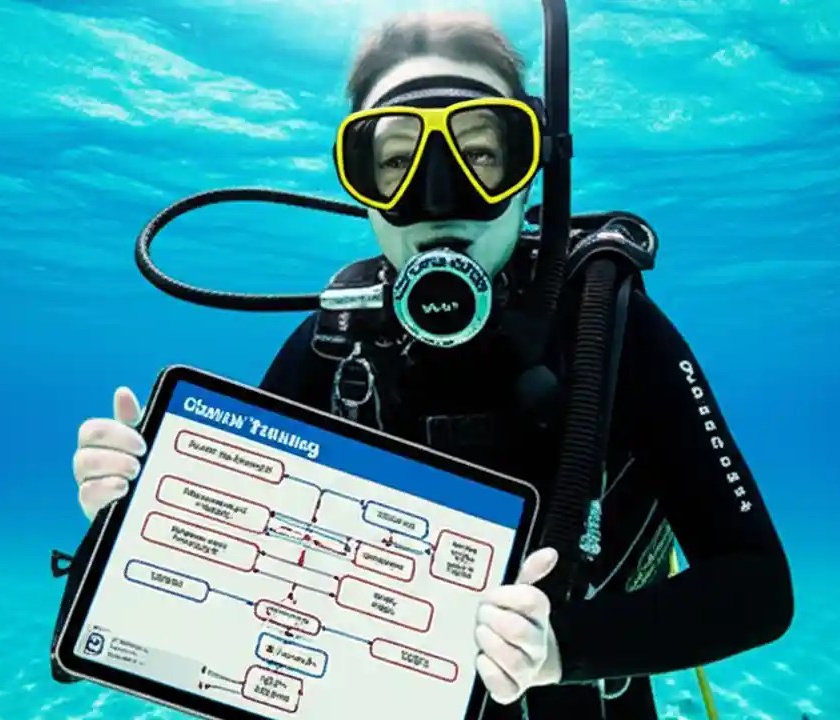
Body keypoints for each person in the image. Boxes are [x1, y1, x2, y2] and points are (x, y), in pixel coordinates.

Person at [69, 11, 793, 720]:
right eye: (394, 160)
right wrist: (131, 518)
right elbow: (188, 609)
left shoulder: (609, 325)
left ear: (533, 165)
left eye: (481, 152)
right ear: (362, 190)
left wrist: (560, 652)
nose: (439, 197)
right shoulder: (334, 343)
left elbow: (757, 585)